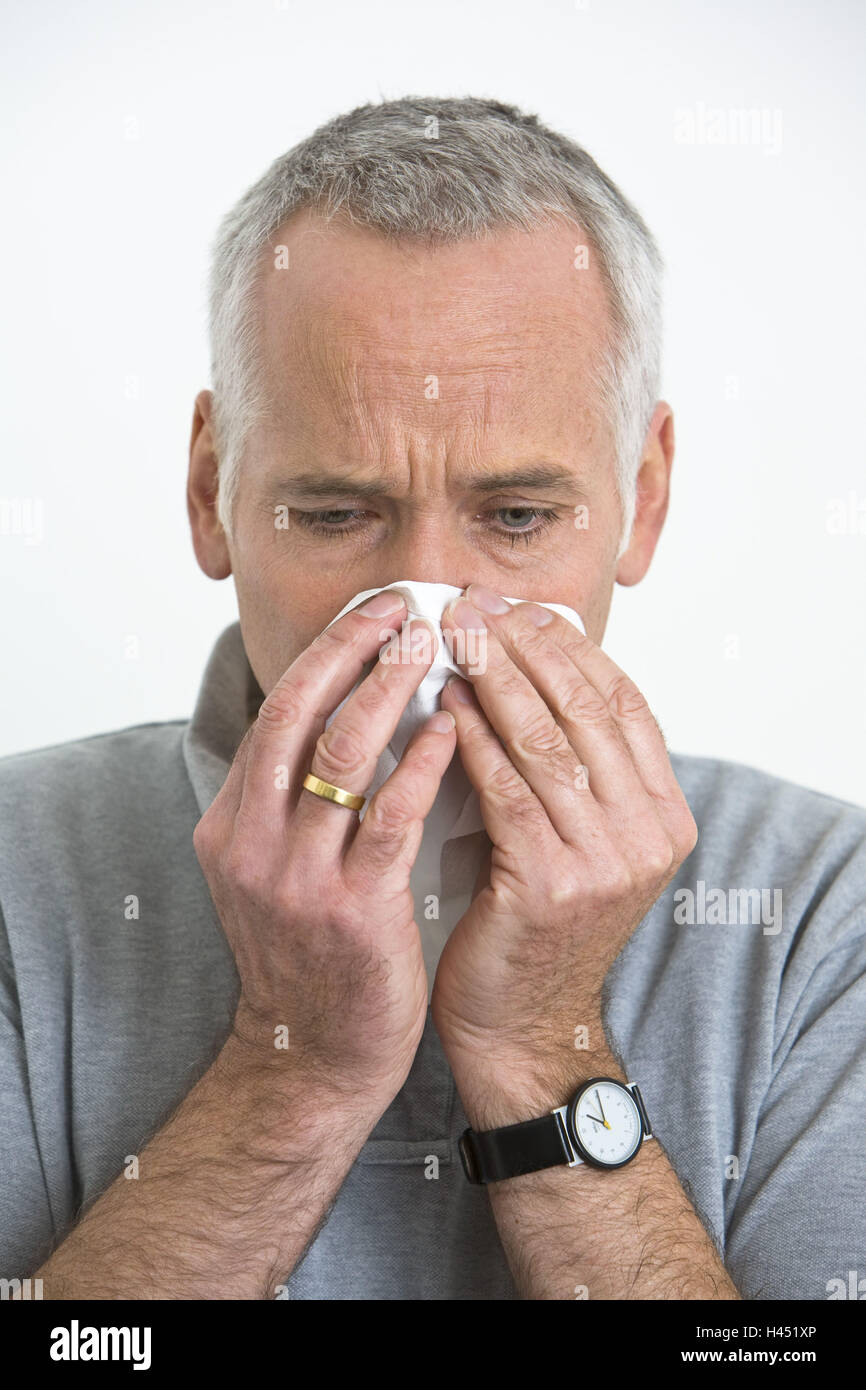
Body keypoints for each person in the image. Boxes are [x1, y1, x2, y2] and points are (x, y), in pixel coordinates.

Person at [1, 96, 863, 1302]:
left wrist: (538, 1040)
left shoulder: (826, 911)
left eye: (515, 519)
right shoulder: (15, 869)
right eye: (334, 513)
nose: (425, 610)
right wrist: (291, 1068)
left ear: (643, 498)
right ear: (210, 490)